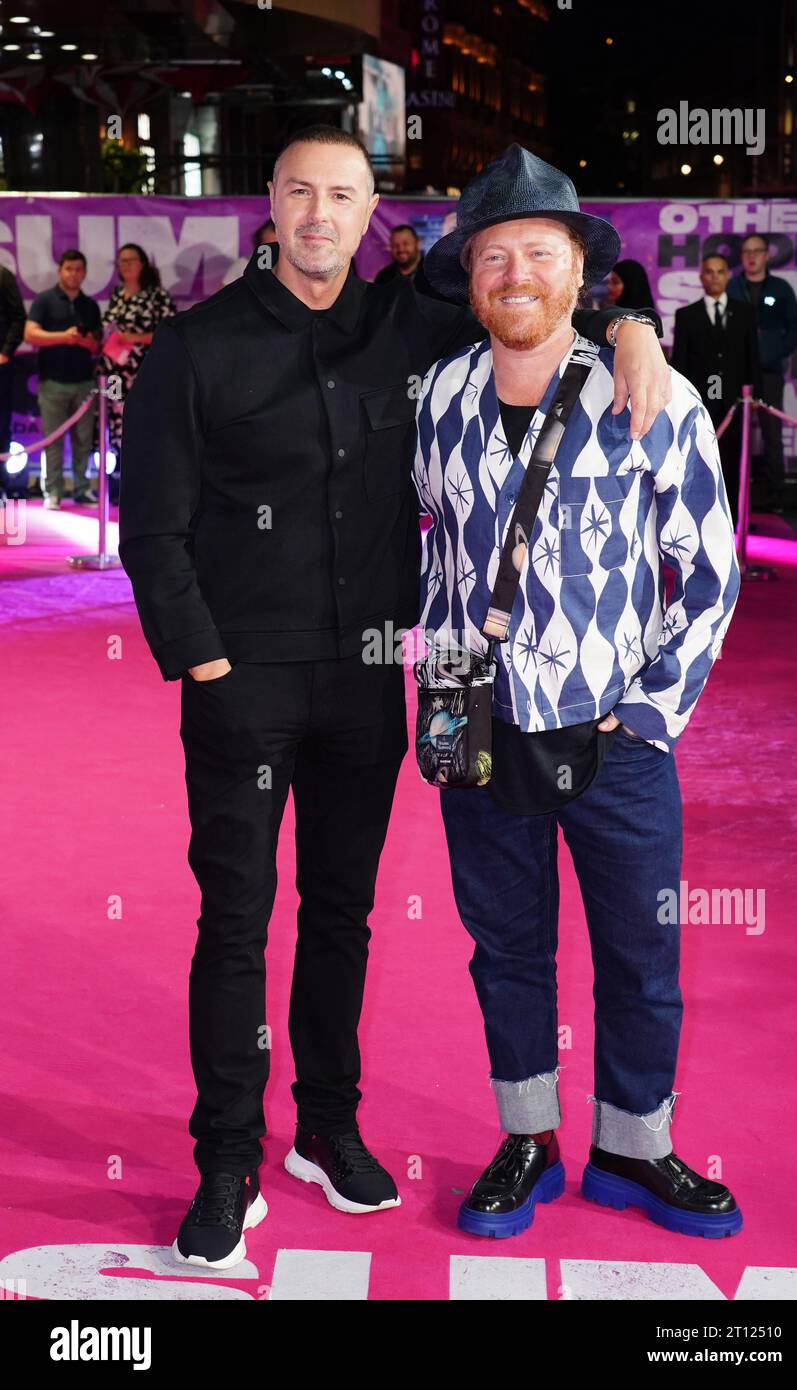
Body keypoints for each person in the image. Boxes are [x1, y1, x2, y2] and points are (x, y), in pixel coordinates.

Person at [117, 124, 670, 1271]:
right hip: (244, 677)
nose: (321, 213)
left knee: (341, 914)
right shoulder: (195, 349)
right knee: (233, 923)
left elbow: (538, 301)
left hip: (372, 676)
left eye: (345, 195)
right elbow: (151, 528)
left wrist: (633, 328)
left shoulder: (412, 327)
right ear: (268, 202)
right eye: (300, 191)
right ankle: (226, 1155)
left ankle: (326, 1124)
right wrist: (205, 664)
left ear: (375, 214)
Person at [413, 144, 743, 1241]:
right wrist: (435, 670)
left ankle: (633, 1148)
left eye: (537, 252)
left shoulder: (646, 391)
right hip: (479, 730)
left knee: (641, 954)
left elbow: (710, 569)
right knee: (504, 946)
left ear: (580, 271)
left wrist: (644, 713)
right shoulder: (442, 395)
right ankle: (526, 1138)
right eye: (492, 254)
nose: (514, 272)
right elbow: (433, 542)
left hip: (618, 738)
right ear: (469, 274)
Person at [672, 253, 762, 523]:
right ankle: (699, 513)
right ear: (701, 277)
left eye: (720, 271)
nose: (714, 277)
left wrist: (755, 394)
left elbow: (752, 356)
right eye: (709, 272)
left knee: (735, 458)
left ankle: (734, 517)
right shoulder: (686, 315)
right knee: (698, 457)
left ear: (727, 276)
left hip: (736, 403)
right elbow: (680, 361)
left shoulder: (745, 313)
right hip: (700, 401)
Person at [727, 233, 797, 512]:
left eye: (757, 250)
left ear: (767, 254)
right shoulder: (733, 287)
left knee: (772, 434)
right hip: (738, 373)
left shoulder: (780, 288)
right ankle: (734, 495)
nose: (751, 256)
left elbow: (795, 327)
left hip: (769, 372)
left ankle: (776, 495)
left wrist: (774, 352)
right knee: (733, 432)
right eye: (747, 251)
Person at [24, 249, 101, 509]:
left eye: (79, 269)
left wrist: (84, 341)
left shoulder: (89, 306)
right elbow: (31, 335)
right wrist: (63, 337)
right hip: (52, 381)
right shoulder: (44, 300)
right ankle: (53, 491)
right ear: (60, 270)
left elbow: (97, 345)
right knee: (53, 441)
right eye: (69, 268)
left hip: (84, 382)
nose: (74, 274)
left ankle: (82, 489)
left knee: (83, 441)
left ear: (85, 273)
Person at [100, 244, 176, 466]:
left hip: (144, 370)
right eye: (122, 261)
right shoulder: (117, 294)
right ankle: (117, 479)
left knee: (145, 422)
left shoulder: (157, 295)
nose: (126, 265)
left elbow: (170, 334)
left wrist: (135, 338)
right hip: (114, 371)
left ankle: (147, 477)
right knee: (115, 424)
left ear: (143, 263)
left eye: (131, 260)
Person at [0, 264, 26, 498]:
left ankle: (0, 484)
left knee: (0, 426)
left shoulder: (2, 275)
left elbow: (19, 317)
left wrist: (5, 352)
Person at [373, 224, 445, 300]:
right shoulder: (383, 277)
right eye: (395, 245)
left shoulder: (435, 275)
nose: (400, 249)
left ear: (418, 244)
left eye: (406, 243)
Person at [221, 219, 279, 288]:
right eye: (267, 247)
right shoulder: (244, 265)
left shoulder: (293, 273)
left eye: (279, 246)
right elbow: (223, 295)